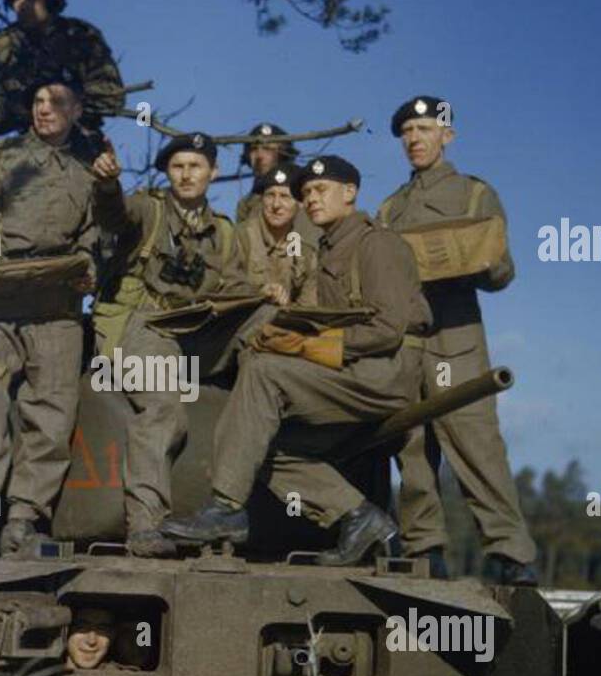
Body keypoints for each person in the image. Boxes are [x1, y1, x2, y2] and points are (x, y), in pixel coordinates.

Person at [162, 155, 432, 565]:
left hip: (385, 375)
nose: (311, 200)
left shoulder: (378, 244)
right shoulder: (329, 249)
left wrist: (307, 347)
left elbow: (388, 330)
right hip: (356, 373)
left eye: (321, 190)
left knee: (266, 370)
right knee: (267, 445)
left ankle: (226, 508)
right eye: (306, 194)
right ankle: (357, 517)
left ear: (350, 193)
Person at [0, 80, 98, 560]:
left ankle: (23, 521)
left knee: (50, 415)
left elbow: (96, 236)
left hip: (56, 303)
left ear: (77, 109)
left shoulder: (88, 169)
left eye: (57, 102)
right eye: (38, 101)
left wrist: (90, 268)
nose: (45, 109)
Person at [380, 95, 537, 585]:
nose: (414, 140)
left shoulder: (474, 195)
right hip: (405, 342)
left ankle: (511, 552)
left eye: (424, 130)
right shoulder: (389, 208)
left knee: (477, 443)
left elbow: (501, 271)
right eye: (407, 132)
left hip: (457, 338)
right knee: (410, 444)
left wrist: (483, 261)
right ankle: (424, 548)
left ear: (447, 136)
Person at [89, 132, 248, 557]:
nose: (186, 174)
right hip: (142, 322)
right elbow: (113, 216)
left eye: (196, 166)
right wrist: (106, 184)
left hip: (194, 330)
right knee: (163, 407)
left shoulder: (226, 234)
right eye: (178, 166)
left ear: (213, 172)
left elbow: (235, 287)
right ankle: (146, 523)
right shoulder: (149, 209)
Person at [0, 0, 125, 136]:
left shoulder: (80, 35)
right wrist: (23, 105)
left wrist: (64, 100)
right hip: (28, 142)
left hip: (81, 137)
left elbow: (112, 96)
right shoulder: (5, 44)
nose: (22, 4)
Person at [237, 165, 318, 306]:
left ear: (300, 204)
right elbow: (225, 289)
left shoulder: (302, 251)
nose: (276, 204)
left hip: (285, 324)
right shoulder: (240, 238)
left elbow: (309, 307)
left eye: (285, 197)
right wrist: (258, 294)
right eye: (270, 195)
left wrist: (288, 305)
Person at [235, 122, 298, 223]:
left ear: (282, 154)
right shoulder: (246, 205)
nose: (259, 155)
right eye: (254, 149)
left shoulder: (299, 193)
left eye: (267, 148)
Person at [65, 607, 117, 672]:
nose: (91, 641)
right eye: (82, 627)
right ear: (66, 631)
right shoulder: (49, 674)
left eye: (102, 629)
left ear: (112, 636)